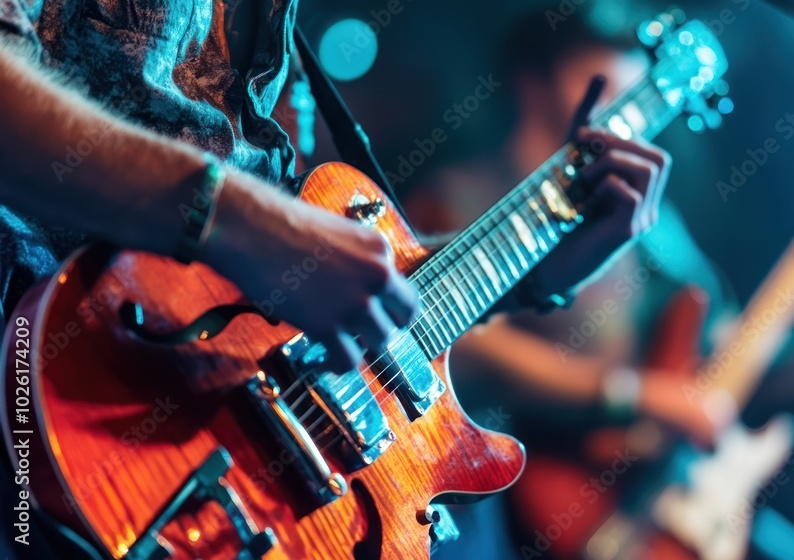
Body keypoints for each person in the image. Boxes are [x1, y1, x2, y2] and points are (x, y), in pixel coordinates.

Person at [0, 0, 675, 557]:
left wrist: (541, 268)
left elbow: (291, 271)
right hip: (56, 374)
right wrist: (243, 223)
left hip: (220, 429)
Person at [405, 9, 794, 560]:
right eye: (602, 85)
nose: (628, 110)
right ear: (531, 82)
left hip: (654, 490)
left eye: (634, 90)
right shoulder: (459, 194)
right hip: (508, 493)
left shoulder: (656, 229)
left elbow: (722, 374)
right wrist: (635, 394)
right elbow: (442, 337)